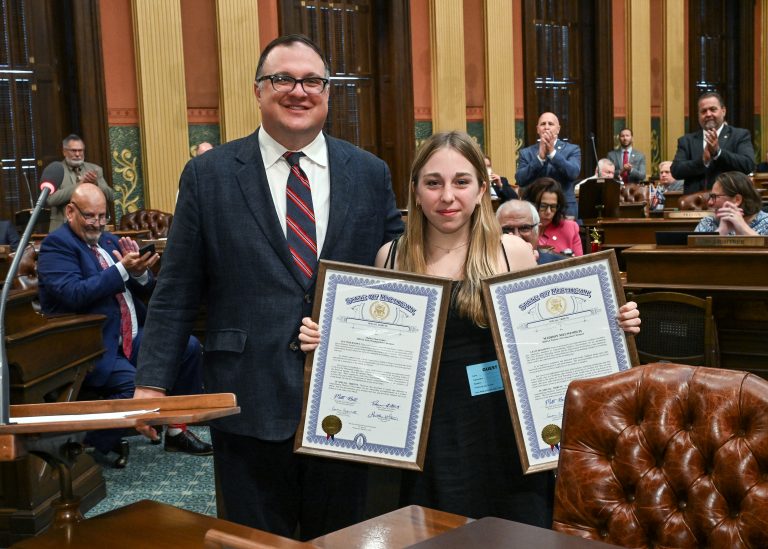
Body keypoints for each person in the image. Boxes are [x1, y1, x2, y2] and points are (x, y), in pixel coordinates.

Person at [131, 34, 403, 540]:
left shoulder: (368, 173)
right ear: (258, 90)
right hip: (246, 396)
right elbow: (176, 288)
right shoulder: (209, 176)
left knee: (344, 537)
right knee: (252, 540)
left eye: (312, 81)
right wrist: (153, 381)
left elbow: (400, 275)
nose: (298, 91)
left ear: (327, 93)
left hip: (350, 397)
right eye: (283, 79)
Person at [299, 131, 640, 526]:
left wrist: (614, 325)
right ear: (414, 190)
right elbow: (373, 353)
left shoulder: (512, 253)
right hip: (422, 433)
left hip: (502, 427)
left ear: (481, 188)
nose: (447, 197)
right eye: (433, 183)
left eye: (461, 182)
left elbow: (548, 339)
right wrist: (326, 343)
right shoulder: (390, 257)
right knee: (434, 530)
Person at [36, 185, 211, 467]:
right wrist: (121, 270)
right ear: (70, 211)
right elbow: (73, 293)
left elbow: (142, 290)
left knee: (188, 347)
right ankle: (80, 443)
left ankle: (176, 430)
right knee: (135, 390)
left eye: (103, 216)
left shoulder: (106, 241)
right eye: (90, 216)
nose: (97, 223)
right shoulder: (58, 245)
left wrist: (140, 274)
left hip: (132, 336)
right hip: (94, 346)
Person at [671, 92, 755, 194]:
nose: (708, 114)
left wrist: (718, 153)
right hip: (695, 204)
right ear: (698, 115)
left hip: (729, 202)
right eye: (703, 111)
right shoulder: (687, 141)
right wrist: (703, 161)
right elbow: (676, 171)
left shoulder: (739, 135)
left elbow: (748, 165)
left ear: (723, 111)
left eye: (713, 109)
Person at [515, 112, 581, 217]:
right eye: (543, 124)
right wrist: (539, 158)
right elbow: (520, 179)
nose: (546, 127)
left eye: (550, 124)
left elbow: (573, 173)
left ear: (558, 129)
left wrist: (552, 153)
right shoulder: (526, 153)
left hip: (564, 208)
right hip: (535, 209)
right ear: (537, 129)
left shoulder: (572, 149)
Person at [48, 134, 115, 232]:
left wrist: (96, 184)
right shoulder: (56, 171)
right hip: (62, 228)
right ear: (64, 152)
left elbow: (111, 195)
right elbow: (51, 200)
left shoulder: (95, 170)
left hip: (91, 227)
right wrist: (80, 185)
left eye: (80, 150)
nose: (78, 154)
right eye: (74, 151)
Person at [694, 171, 768, 235]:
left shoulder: (766, 222)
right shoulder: (708, 222)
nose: (709, 202)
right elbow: (695, 250)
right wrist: (721, 232)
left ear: (737, 200)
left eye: (714, 196)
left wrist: (743, 228)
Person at [525, 177, 583, 256]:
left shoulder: (570, 228)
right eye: (543, 206)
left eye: (553, 207)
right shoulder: (521, 230)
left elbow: (580, 264)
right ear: (531, 204)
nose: (548, 212)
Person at [496, 199, 564, 264]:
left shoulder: (560, 267)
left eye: (524, 228)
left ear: (538, 231)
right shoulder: (487, 269)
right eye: (507, 229)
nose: (516, 236)